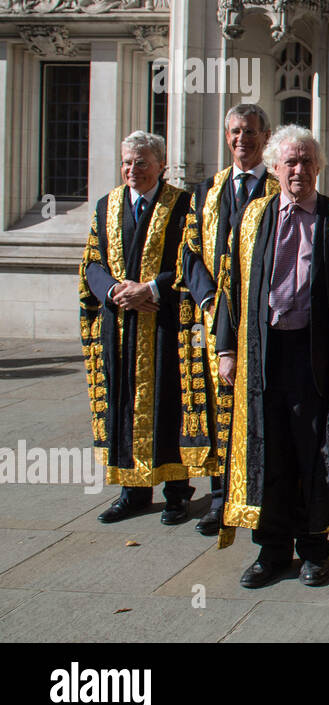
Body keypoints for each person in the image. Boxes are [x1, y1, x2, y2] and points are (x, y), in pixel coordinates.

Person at [214, 126, 329, 588]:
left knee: (315, 450)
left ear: (319, 167)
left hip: (317, 355)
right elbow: (231, 284)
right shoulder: (253, 215)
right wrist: (226, 348)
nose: (298, 170)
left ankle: (315, 548)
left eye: (307, 161)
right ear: (275, 167)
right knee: (270, 447)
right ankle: (271, 549)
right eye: (290, 162)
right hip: (263, 353)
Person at [80, 131, 209, 524]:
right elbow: (91, 262)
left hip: (166, 324)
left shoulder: (184, 205)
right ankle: (132, 491)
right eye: (126, 162)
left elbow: (194, 259)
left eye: (140, 162)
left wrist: (151, 287)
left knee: (169, 404)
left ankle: (176, 493)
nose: (131, 170)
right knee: (123, 405)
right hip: (120, 326)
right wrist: (115, 290)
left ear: (161, 166)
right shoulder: (106, 206)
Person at [178, 103, 277, 536]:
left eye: (251, 132)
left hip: (262, 321)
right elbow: (188, 251)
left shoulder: (280, 188)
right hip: (213, 319)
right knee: (219, 408)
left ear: (265, 137)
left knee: (259, 407)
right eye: (235, 132)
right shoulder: (206, 193)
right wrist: (209, 299)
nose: (243, 140)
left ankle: (259, 494)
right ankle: (219, 499)